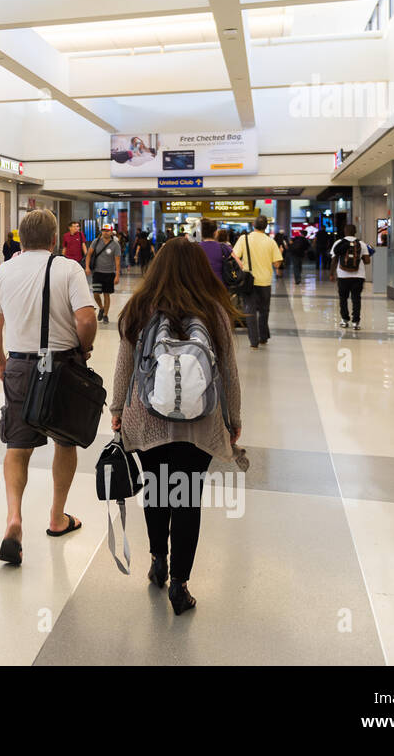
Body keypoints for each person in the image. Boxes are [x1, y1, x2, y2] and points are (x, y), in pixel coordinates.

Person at [110, 237, 242, 614]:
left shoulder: (139, 307)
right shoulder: (213, 309)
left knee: (156, 491)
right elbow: (229, 373)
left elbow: (124, 365)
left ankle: (158, 561)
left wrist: (118, 408)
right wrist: (234, 419)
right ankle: (181, 586)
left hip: (148, 420)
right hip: (200, 425)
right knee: (186, 499)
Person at [0, 210, 97, 565]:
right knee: (65, 440)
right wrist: (85, 347)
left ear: (19, 239)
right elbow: (86, 318)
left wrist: (1, 362)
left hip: (19, 363)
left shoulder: (4, 270)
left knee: (17, 446)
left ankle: (14, 517)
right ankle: (56, 517)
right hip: (59, 364)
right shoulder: (67, 268)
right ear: (54, 240)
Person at [232, 215, 282, 349]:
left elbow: (234, 255)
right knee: (264, 310)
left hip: (249, 281)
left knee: (250, 310)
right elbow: (277, 264)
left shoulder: (244, 239)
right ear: (266, 226)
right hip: (265, 281)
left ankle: (253, 341)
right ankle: (263, 337)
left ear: (254, 225)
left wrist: (242, 266)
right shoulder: (271, 242)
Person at [329, 224, 374, 330]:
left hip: (343, 275)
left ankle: (344, 320)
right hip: (358, 276)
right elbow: (367, 261)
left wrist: (331, 273)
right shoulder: (362, 244)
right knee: (356, 299)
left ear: (345, 231)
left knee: (343, 298)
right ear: (355, 232)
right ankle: (356, 322)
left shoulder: (338, 243)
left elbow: (334, 260)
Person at [84, 223, 121, 324]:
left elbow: (117, 261)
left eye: (107, 231)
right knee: (96, 293)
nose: (105, 232)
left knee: (106, 294)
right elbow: (89, 255)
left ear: (111, 232)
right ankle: (101, 307)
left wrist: (117, 275)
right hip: (97, 272)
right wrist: (87, 267)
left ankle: (105, 315)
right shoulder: (96, 242)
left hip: (109, 273)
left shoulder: (115, 245)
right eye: (104, 230)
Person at [198, 217, 232, 287]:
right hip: (220, 287)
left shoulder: (195, 248)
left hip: (200, 286)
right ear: (216, 233)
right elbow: (239, 265)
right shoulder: (224, 247)